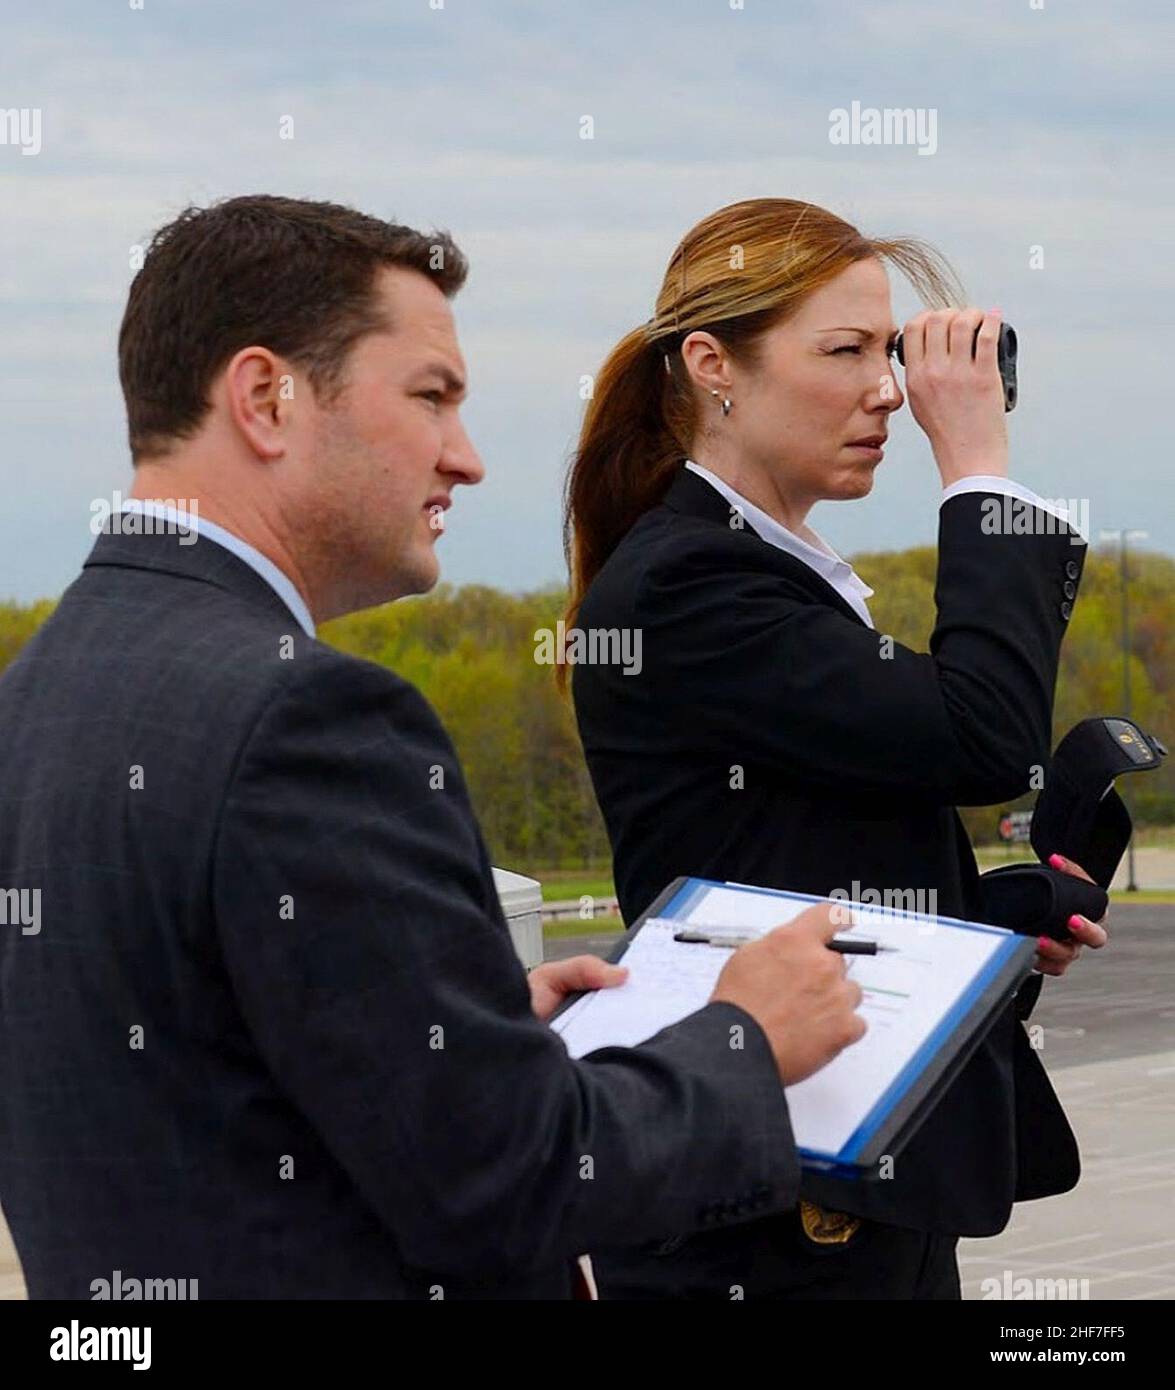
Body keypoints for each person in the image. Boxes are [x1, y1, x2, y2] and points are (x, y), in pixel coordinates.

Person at [0, 196, 869, 1301]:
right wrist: (746, 1035)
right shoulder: (304, 719)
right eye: (431, 397)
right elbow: (511, 1184)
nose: (466, 460)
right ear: (267, 397)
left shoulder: (36, 693)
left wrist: (476, 1030)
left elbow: (199, 1073)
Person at [564, 197, 1109, 1300]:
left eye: (890, 349)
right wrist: (976, 468)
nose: (886, 390)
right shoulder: (688, 582)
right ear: (713, 363)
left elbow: (790, 852)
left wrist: (989, 919)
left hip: (844, 1182)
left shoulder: (767, 575)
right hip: (766, 1217)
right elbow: (979, 734)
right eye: (845, 350)